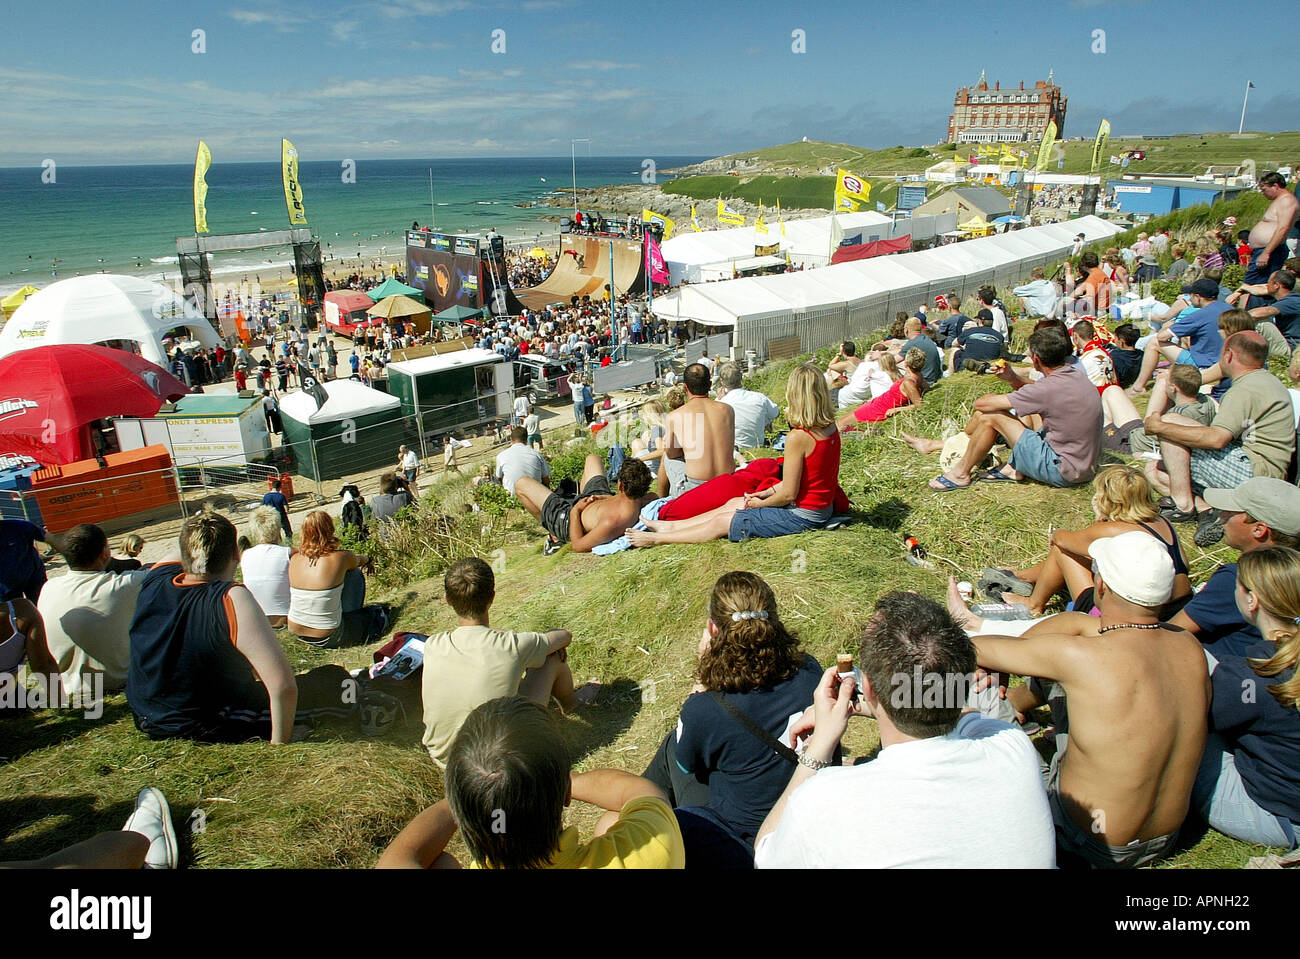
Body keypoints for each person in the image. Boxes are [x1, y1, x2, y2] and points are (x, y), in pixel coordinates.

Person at [753, 592, 1055, 868]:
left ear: (866, 686)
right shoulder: (1012, 747)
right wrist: (878, 704)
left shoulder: (824, 799)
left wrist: (820, 744)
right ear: (963, 682)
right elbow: (957, 711)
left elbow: (765, 855)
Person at [972, 532, 1210, 868]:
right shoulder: (1189, 647)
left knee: (972, 685)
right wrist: (1070, 624)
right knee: (1071, 631)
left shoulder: (1079, 657)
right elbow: (1098, 632)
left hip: (1085, 842)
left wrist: (997, 666)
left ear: (1100, 586)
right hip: (1162, 840)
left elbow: (971, 649)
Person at [643, 572, 825, 867]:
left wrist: (701, 683)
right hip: (809, 820)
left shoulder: (706, 708)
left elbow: (687, 765)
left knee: (671, 749)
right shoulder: (811, 672)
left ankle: (638, 809)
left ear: (712, 629)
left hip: (742, 841)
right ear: (774, 623)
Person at [379, 697, 684, 869]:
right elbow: (645, 793)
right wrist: (560, 782)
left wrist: (472, 795)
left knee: (440, 865)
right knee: (613, 819)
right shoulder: (653, 851)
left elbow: (397, 860)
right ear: (564, 793)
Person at [127, 512, 353, 743]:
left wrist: (198, 525)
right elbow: (283, 686)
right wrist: (281, 742)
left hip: (145, 710)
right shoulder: (229, 597)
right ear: (236, 553)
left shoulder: (157, 577)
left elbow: (185, 553)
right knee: (338, 682)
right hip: (196, 720)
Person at [627, 364, 841, 547]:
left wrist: (760, 504)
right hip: (818, 508)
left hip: (804, 515)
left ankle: (657, 539)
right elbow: (797, 483)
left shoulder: (798, 437)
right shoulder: (830, 429)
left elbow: (788, 494)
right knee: (734, 503)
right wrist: (763, 494)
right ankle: (669, 526)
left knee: (721, 521)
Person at [420, 558, 584, 767]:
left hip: (445, 758)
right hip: (497, 761)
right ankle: (572, 704)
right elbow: (564, 636)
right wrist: (542, 643)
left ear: (447, 599)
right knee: (551, 657)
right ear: (492, 597)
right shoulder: (511, 645)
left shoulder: (433, 645)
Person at [1192, 546, 1300, 848]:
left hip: (1277, 816)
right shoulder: (1260, 674)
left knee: (1186, 722)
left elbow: (1194, 720)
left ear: (1252, 601)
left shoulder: (1255, 677)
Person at [992, 465, 1192, 617]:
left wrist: (1097, 521)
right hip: (1178, 608)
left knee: (1063, 550)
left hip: (1133, 614)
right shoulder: (1163, 522)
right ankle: (1024, 577)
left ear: (1108, 500)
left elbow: (1061, 539)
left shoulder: (1112, 529)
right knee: (1086, 551)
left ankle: (1034, 603)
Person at [1145, 331, 1295, 523]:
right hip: (1267, 472)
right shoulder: (1265, 381)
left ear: (1229, 355)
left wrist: (1158, 427)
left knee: (1169, 424)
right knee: (1155, 471)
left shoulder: (1245, 389)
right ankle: (1206, 508)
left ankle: (1182, 506)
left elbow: (1216, 439)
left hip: (1255, 472)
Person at [927, 325, 1102, 490]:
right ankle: (1012, 468)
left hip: (1063, 471)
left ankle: (960, 474)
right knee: (1031, 413)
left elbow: (981, 405)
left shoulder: (1047, 389)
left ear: (1036, 359)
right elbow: (1040, 394)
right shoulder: (1076, 376)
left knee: (991, 416)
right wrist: (1013, 378)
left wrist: (990, 398)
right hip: (1085, 465)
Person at [1168, 479, 1300, 653]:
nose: (1221, 515)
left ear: (1259, 529)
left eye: (1231, 512)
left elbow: (1169, 633)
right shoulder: (1292, 574)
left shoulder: (1238, 578)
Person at [38, 524, 149, 700]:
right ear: (104, 553)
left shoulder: (48, 588)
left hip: (67, 684)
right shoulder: (125, 585)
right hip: (115, 680)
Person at [286, 511, 389, 649]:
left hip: (296, 631)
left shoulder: (294, 559)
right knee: (354, 573)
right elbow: (360, 560)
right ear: (330, 529)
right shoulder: (341, 558)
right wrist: (369, 559)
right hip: (329, 636)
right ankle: (352, 614)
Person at [516, 455, 653, 555]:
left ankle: (554, 534)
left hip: (569, 520)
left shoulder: (611, 522)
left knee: (521, 484)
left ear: (620, 485)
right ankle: (577, 496)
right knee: (592, 458)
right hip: (597, 497)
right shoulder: (644, 498)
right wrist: (603, 497)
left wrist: (575, 511)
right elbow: (620, 499)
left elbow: (578, 545)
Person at [1128, 278, 1228, 394]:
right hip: (1224, 362)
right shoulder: (1229, 308)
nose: (1189, 299)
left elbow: (1162, 337)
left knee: (1154, 343)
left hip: (1204, 364)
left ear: (1197, 296)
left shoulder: (1198, 315)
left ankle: (1138, 387)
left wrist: (1172, 325)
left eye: (1190, 295)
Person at [655, 363, 735, 499]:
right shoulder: (727, 410)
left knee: (666, 457)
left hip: (697, 488)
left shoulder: (675, 416)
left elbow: (672, 453)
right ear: (710, 385)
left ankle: (663, 503)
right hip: (727, 481)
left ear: (685, 387)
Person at [1244, 172, 1300, 307]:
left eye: (1264, 189)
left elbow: (1283, 228)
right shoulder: (1280, 200)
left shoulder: (1287, 200)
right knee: (1252, 285)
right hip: (1265, 250)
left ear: (1275, 186)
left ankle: (1257, 316)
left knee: (1260, 286)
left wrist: (1266, 252)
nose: (1263, 193)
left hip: (1271, 250)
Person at [836, 347, 928, 429]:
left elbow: (919, 404)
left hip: (880, 409)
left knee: (840, 424)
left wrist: (897, 409)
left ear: (906, 364)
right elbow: (926, 389)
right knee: (842, 422)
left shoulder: (909, 382)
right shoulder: (918, 376)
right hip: (879, 402)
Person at [239, 507, 292, 629]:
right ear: (278, 528)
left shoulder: (245, 556)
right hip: (287, 619)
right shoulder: (289, 553)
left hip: (257, 620)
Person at [715, 362, 778, 451]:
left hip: (733, 448)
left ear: (723, 383)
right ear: (741, 378)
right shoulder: (759, 397)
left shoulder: (720, 403)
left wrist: (719, 400)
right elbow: (775, 413)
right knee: (763, 413)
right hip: (758, 445)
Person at [494, 426, 551, 496]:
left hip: (513, 499)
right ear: (526, 439)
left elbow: (499, 478)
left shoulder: (501, 456)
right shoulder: (535, 454)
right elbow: (546, 480)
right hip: (536, 498)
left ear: (511, 439)